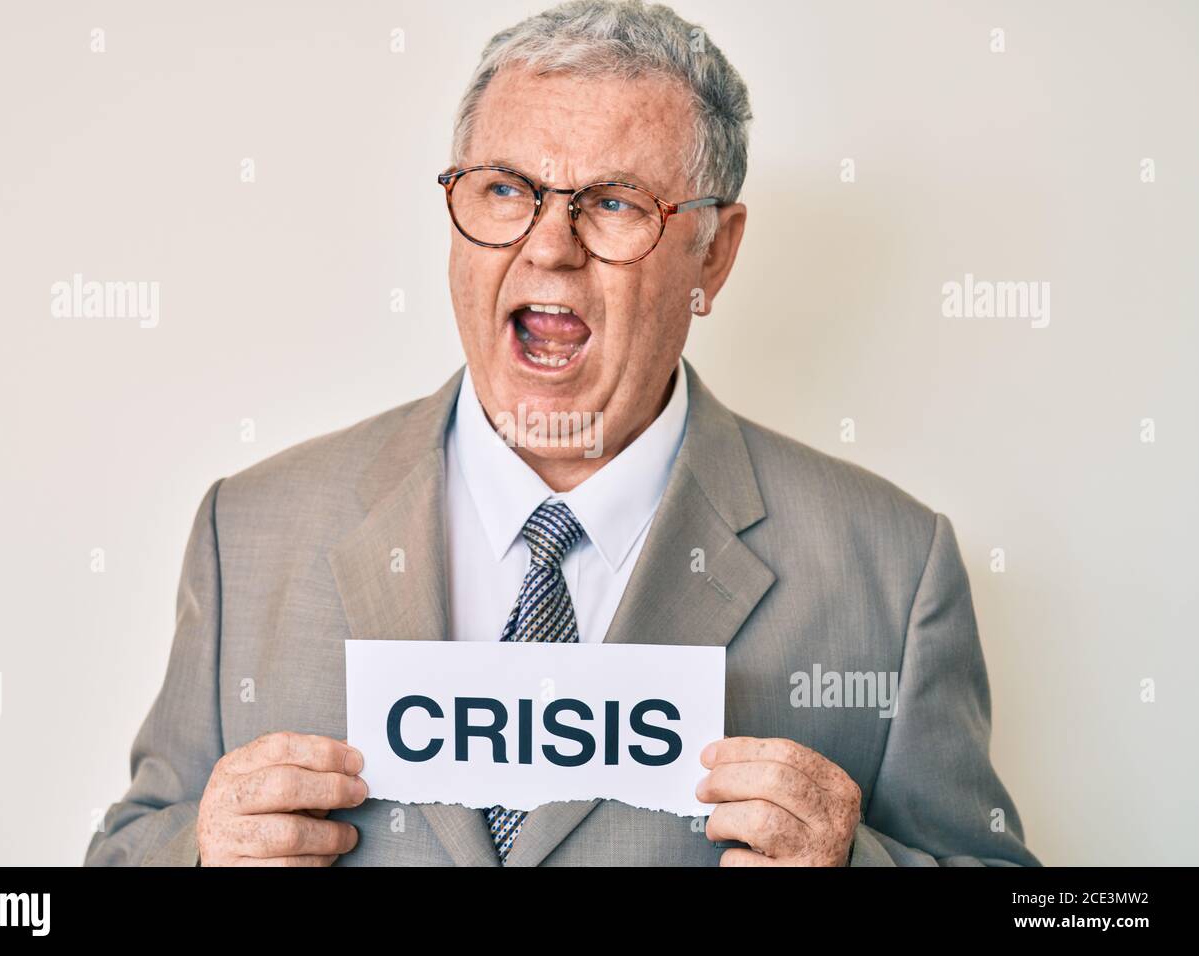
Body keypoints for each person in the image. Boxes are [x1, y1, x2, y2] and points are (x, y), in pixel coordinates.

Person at [86, 0, 1038, 867]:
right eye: (505, 189)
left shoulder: (892, 568)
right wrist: (197, 857)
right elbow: (120, 853)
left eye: (615, 202)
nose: (549, 245)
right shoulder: (246, 532)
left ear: (718, 250)